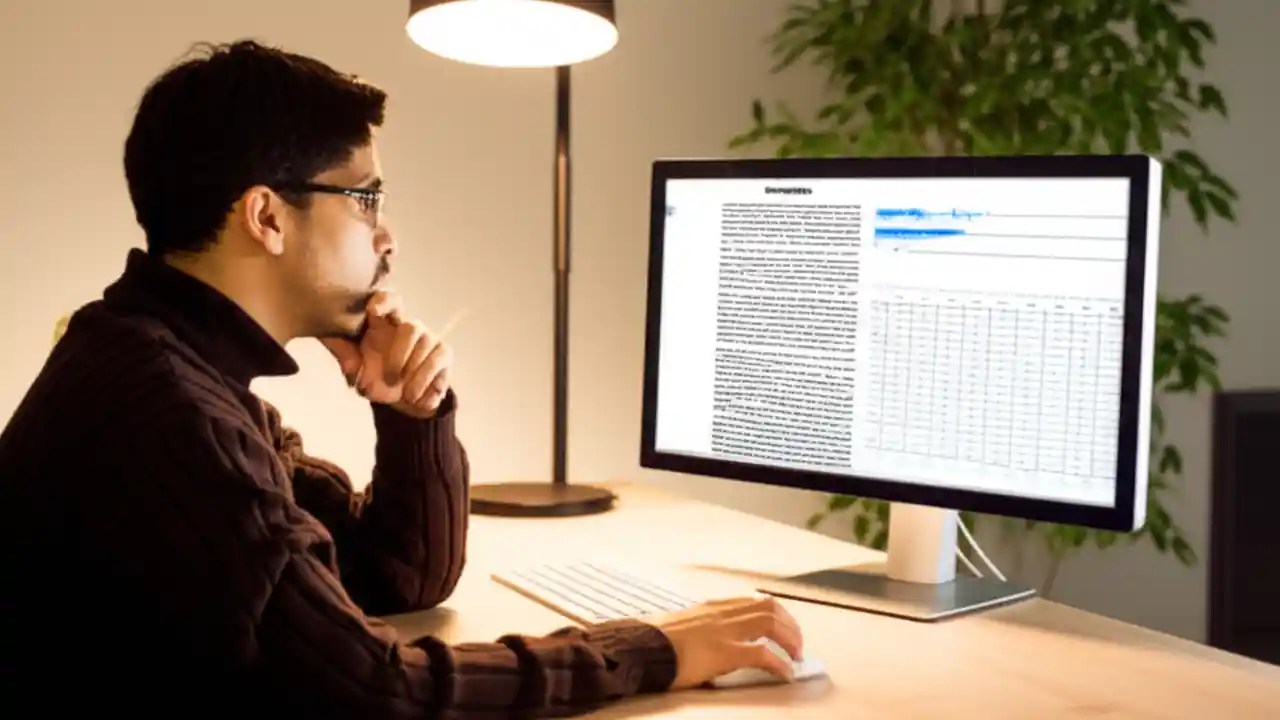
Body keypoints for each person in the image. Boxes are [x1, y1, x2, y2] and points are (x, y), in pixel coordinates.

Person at [0, 39, 804, 717]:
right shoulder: (170, 412)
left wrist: (413, 412)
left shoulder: (175, 365)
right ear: (267, 216)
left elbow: (397, 577)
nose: (386, 237)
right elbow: (381, 692)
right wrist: (653, 647)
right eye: (365, 197)